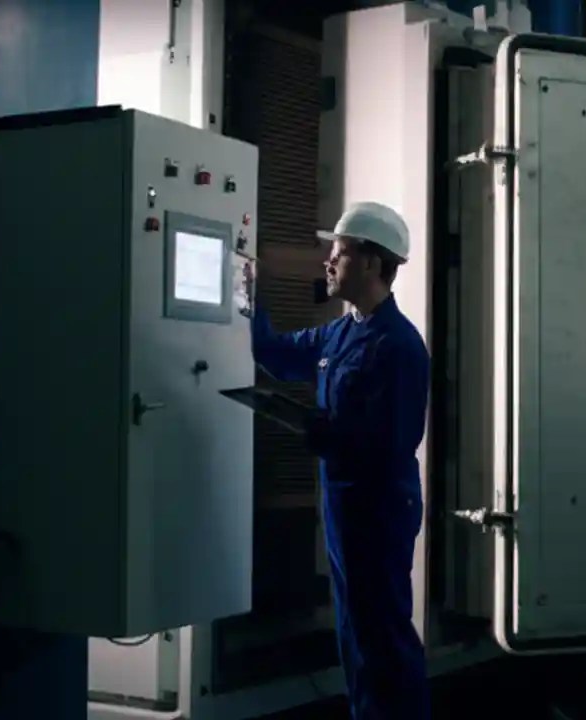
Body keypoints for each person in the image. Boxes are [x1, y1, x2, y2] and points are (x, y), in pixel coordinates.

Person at [249, 200, 431, 719]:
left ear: (372, 263)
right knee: (355, 632)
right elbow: (275, 353)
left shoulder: (399, 346)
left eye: (340, 251)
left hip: (377, 510)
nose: (328, 261)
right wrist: (243, 289)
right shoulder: (341, 331)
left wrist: (313, 427)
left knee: (383, 636)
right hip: (344, 506)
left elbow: (388, 446)